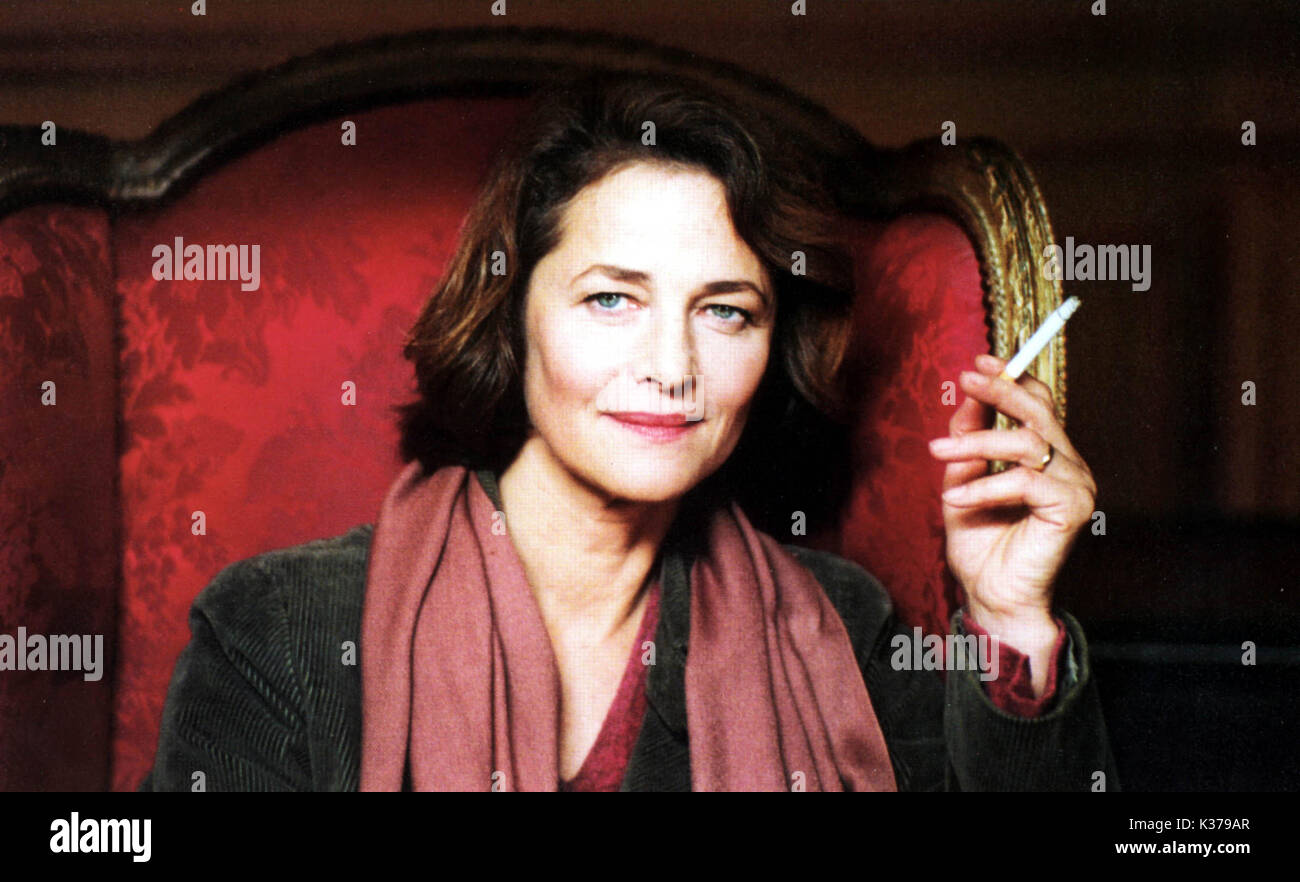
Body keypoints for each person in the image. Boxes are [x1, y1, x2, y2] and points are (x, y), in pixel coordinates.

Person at [143, 72, 1116, 792]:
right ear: (511, 316)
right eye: (611, 299)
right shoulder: (282, 630)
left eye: (725, 311)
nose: (672, 365)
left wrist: (1008, 620)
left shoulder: (839, 629)